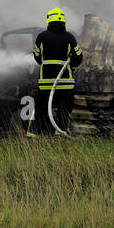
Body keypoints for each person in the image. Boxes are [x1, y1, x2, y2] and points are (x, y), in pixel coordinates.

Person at [30, 7, 82, 135]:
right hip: (65, 83)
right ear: (63, 21)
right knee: (64, 108)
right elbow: (79, 57)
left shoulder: (41, 37)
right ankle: (61, 132)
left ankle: (34, 133)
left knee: (41, 108)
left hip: (46, 82)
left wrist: (45, 63)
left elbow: (36, 55)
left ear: (49, 21)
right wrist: (71, 61)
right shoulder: (70, 37)